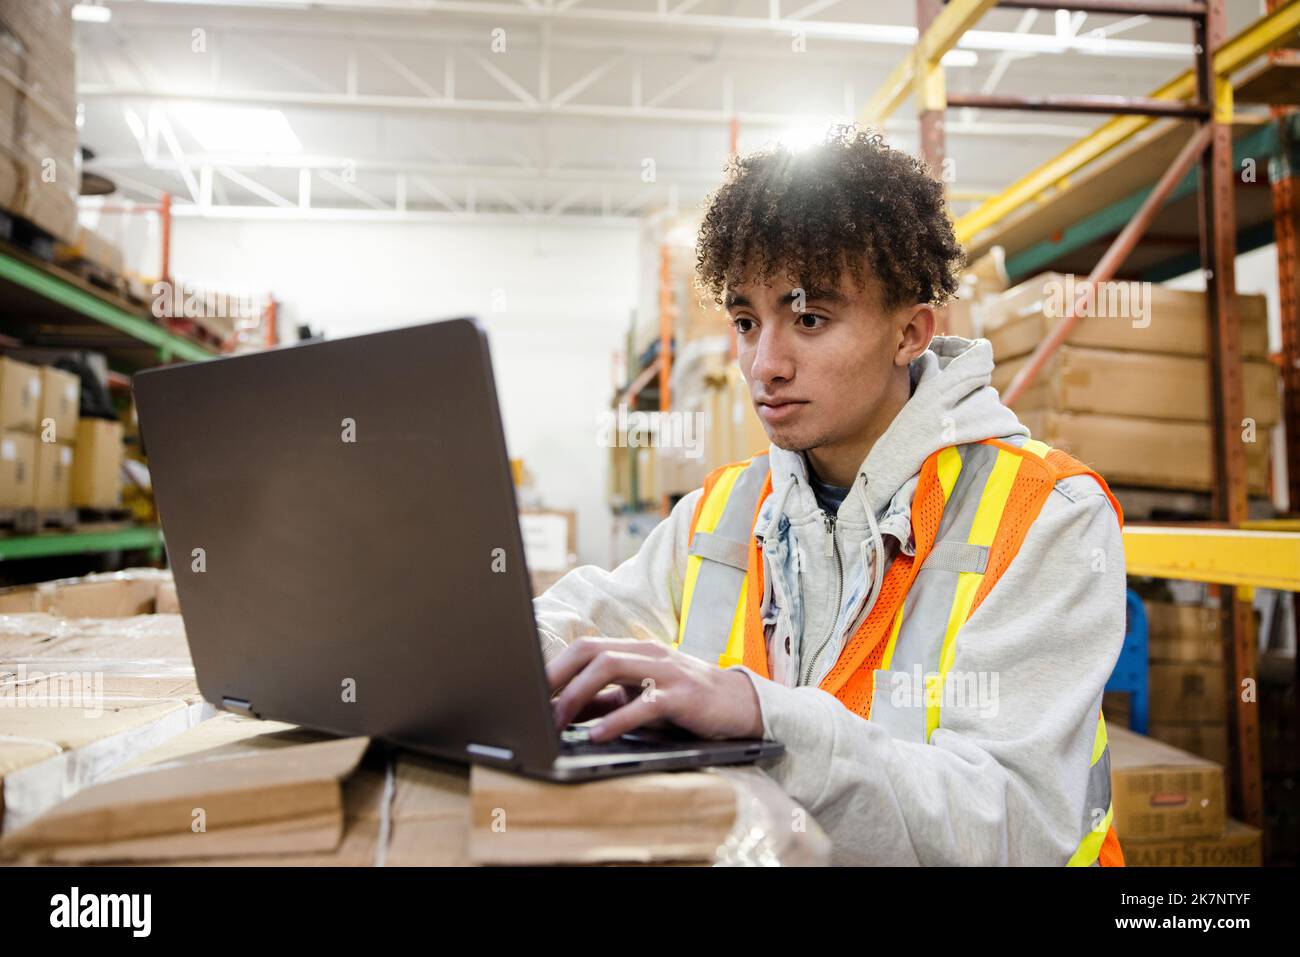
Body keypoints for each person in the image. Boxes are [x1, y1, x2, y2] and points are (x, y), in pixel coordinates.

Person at [535, 126, 1126, 866]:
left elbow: (1013, 825)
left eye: (809, 319)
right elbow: (580, 624)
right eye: (747, 321)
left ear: (910, 331)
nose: (764, 364)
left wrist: (763, 718)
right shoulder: (722, 512)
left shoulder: (1047, 515)